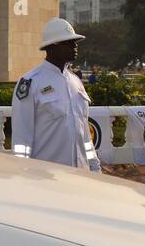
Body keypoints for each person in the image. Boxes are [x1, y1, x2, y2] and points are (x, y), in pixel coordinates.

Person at [11, 17, 101, 171]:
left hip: (81, 175)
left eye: (74, 42)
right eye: (68, 42)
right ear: (52, 47)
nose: (75, 46)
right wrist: (23, 173)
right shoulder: (31, 82)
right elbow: (22, 138)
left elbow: (85, 135)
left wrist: (94, 166)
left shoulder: (76, 82)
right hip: (46, 178)